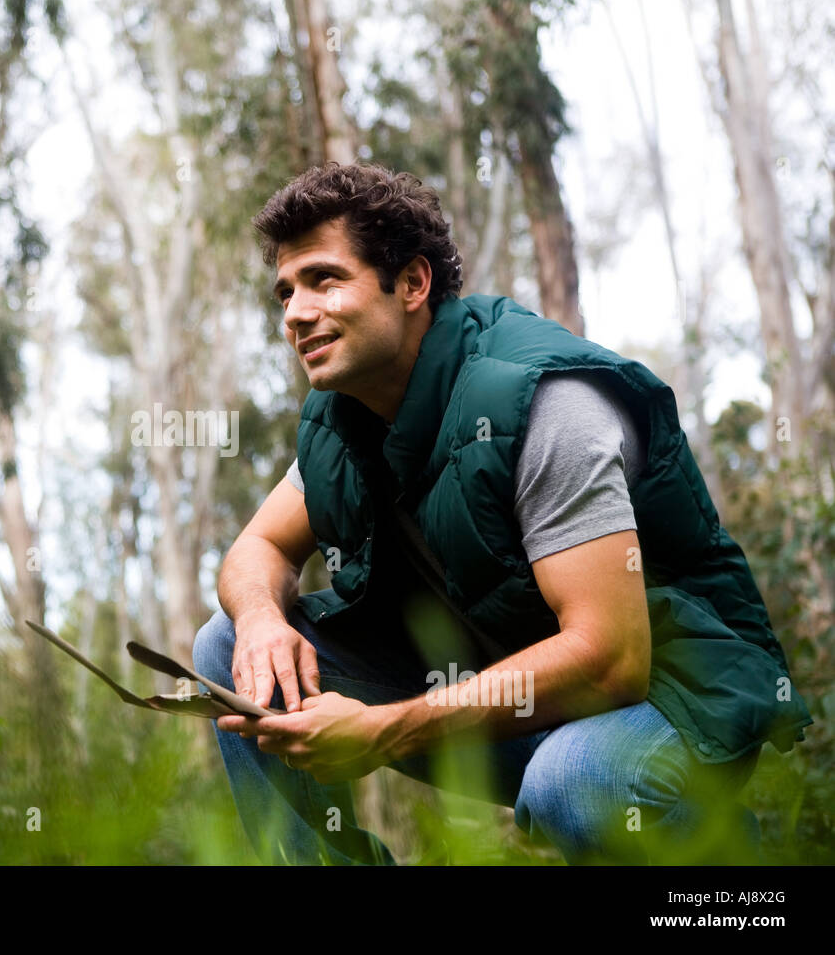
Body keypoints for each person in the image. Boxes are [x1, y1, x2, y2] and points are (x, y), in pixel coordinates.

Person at [192, 162, 813, 865]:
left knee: (571, 781)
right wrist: (264, 622)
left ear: (413, 284)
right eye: (285, 290)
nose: (295, 312)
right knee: (227, 647)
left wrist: (387, 729)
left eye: (326, 279)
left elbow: (612, 662)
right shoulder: (345, 418)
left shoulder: (543, 403)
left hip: (669, 698)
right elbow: (257, 550)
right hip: (513, 692)